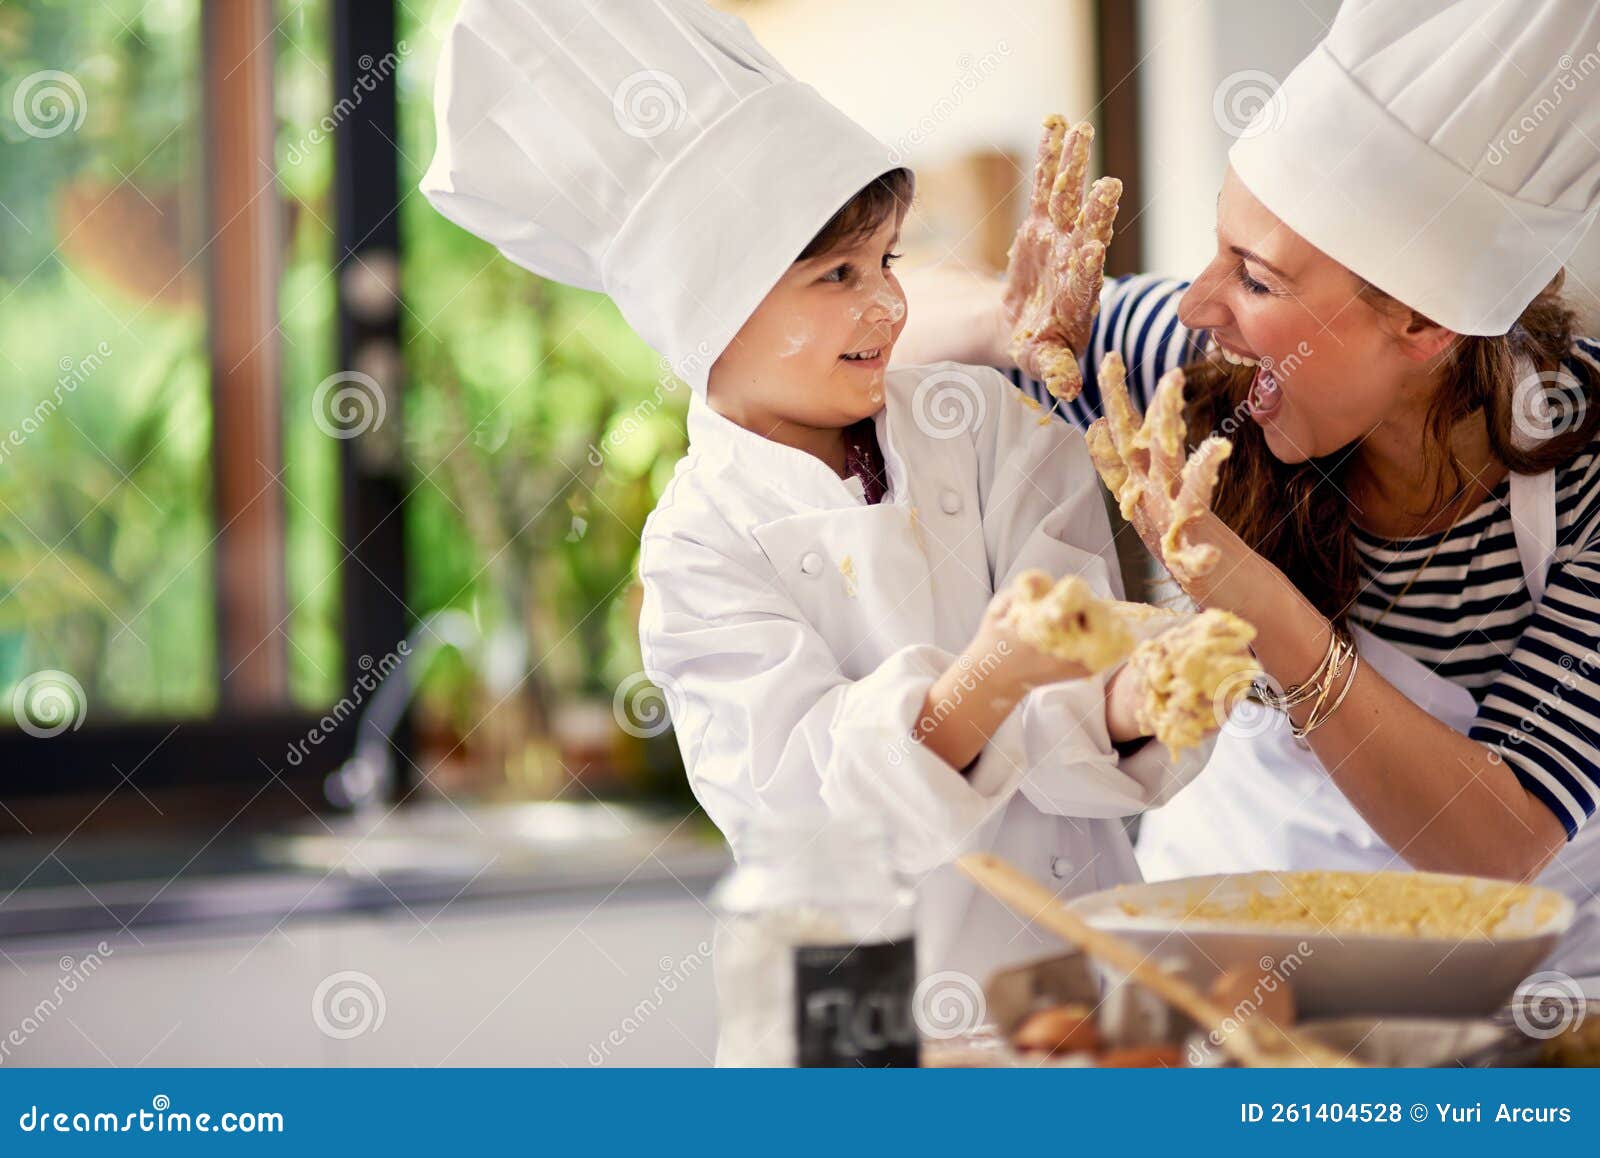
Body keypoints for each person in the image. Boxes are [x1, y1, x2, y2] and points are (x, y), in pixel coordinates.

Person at [420, 0, 1232, 989]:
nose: (888, 303)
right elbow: (808, 818)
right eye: (837, 273)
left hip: (1078, 1001)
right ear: (711, 303)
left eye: (886, 258)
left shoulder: (984, 423)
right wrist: (987, 675)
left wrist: (1138, 694)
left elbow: (1075, 707)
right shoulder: (699, 543)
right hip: (876, 1027)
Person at [895, 0, 1600, 975]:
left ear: (1426, 326)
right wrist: (1002, 319)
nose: (1194, 303)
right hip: (1221, 992)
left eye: (1256, 280)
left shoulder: (1587, 478)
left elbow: (1495, 841)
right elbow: (881, 319)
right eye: (1216, 248)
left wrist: (1253, 600)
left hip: (1508, 1024)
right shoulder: (1209, 369)